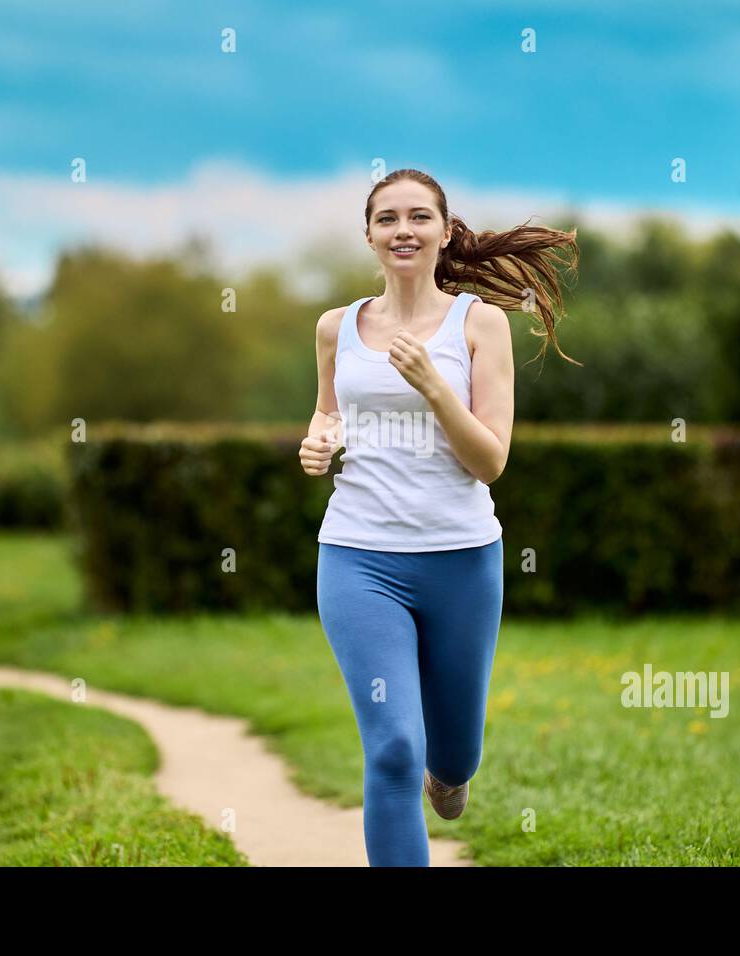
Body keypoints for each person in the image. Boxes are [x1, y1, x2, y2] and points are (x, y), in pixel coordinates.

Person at [300, 168, 578, 866]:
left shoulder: (479, 325)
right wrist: (319, 439)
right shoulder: (337, 327)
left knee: (453, 759)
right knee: (394, 748)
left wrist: (431, 386)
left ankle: (448, 777)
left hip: (462, 561)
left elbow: (490, 461)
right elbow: (329, 410)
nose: (403, 230)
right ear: (368, 235)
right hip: (358, 559)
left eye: (418, 217)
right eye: (387, 218)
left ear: (445, 231)